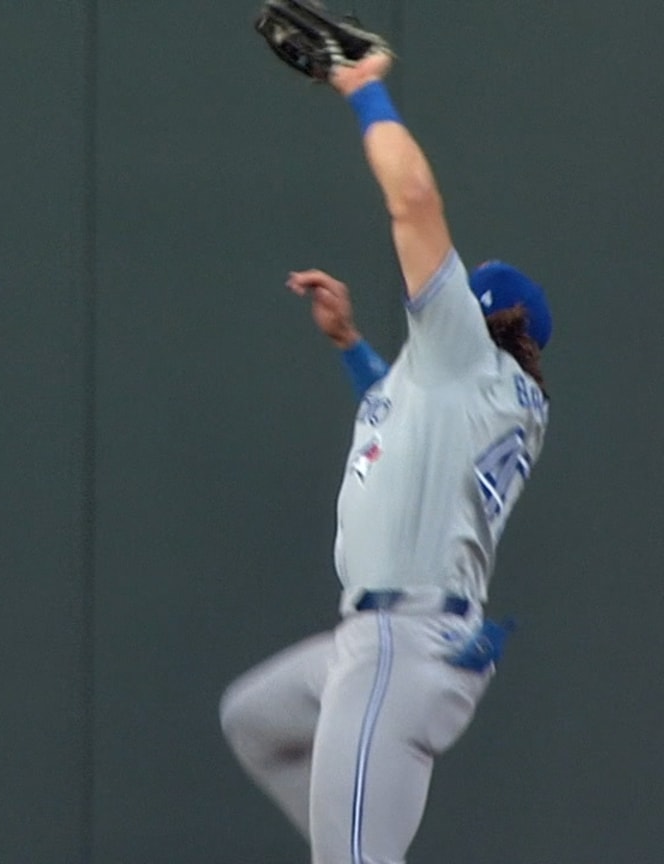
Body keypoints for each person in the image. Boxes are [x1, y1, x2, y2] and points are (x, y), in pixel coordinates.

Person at [218, 48, 554, 864]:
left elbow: (412, 197)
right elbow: (402, 424)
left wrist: (363, 90)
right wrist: (353, 348)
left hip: (399, 645)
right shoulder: (488, 396)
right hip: (403, 636)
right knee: (256, 720)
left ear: (478, 319)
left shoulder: (461, 357)